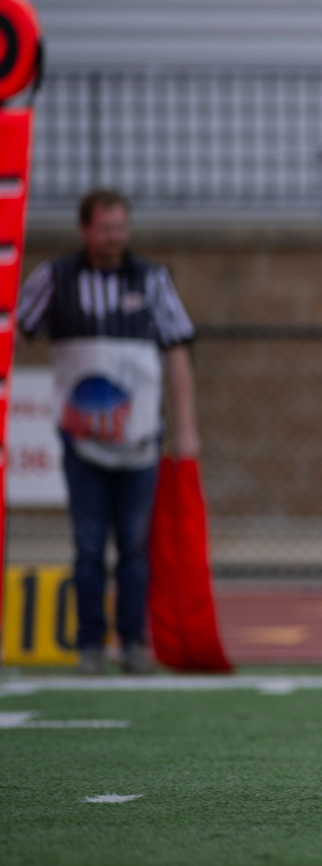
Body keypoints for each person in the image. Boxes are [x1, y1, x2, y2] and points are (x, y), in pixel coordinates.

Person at [16, 189, 200, 675]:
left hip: (140, 441)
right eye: (105, 228)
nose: (114, 237)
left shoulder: (152, 279)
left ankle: (134, 642)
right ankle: (90, 644)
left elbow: (178, 350)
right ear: (85, 229)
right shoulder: (55, 278)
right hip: (81, 442)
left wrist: (186, 429)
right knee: (89, 546)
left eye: (121, 227)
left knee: (135, 546)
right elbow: (16, 332)